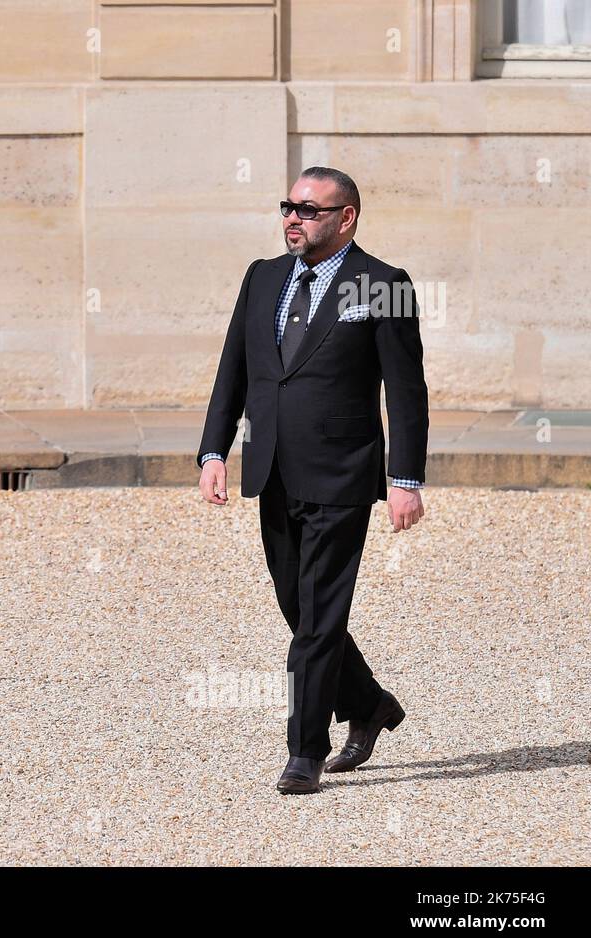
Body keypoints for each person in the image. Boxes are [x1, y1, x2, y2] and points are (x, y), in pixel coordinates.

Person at [196, 167, 429, 794]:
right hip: (271, 467)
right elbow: (234, 369)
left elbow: (406, 393)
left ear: (345, 217)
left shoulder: (385, 285)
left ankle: (304, 751)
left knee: (320, 618)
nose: (293, 219)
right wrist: (212, 451)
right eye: (287, 207)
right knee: (299, 608)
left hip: (343, 473)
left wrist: (404, 478)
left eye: (309, 210)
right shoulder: (262, 276)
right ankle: (371, 702)